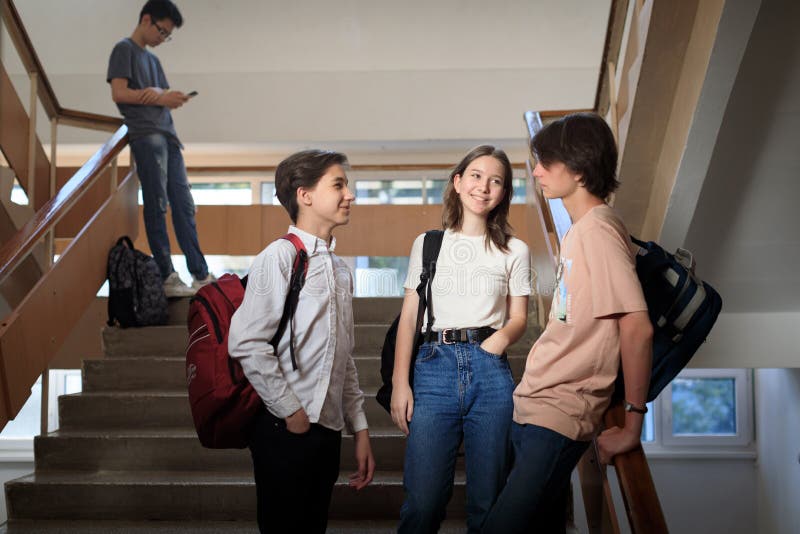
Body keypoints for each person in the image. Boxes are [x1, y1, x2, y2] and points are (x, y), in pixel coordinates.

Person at [482, 113, 653, 533]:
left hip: (559, 415)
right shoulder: (582, 230)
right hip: (537, 406)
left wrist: (633, 423)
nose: (536, 171)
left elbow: (637, 327)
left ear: (578, 169)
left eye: (546, 162)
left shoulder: (598, 231)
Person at [228, 150, 375, 534]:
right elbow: (246, 342)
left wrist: (358, 429)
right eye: (338, 185)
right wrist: (290, 411)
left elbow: (344, 357)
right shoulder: (277, 257)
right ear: (304, 194)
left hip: (326, 431)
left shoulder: (341, 270)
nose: (350, 195)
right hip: (284, 427)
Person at [391, 145, 532, 533]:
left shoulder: (514, 250)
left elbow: (519, 317)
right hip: (434, 368)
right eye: (475, 176)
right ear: (457, 182)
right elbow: (408, 319)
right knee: (423, 502)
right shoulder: (429, 243)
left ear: (503, 193)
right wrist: (400, 384)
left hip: (491, 373)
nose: (484, 187)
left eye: (496, 181)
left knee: (488, 502)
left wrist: (497, 343)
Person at [107, 0, 213, 297]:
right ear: (146, 19)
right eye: (162, 31)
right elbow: (119, 92)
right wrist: (159, 98)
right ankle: (167, 275)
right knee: (157, 204)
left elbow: (159, 96)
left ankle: (200, 274)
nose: (162, 39)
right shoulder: (123, 49)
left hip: (168, 135)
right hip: (146, 134)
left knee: (184, 205)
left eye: (167, 35)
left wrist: (169, 98)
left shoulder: (153, 61)